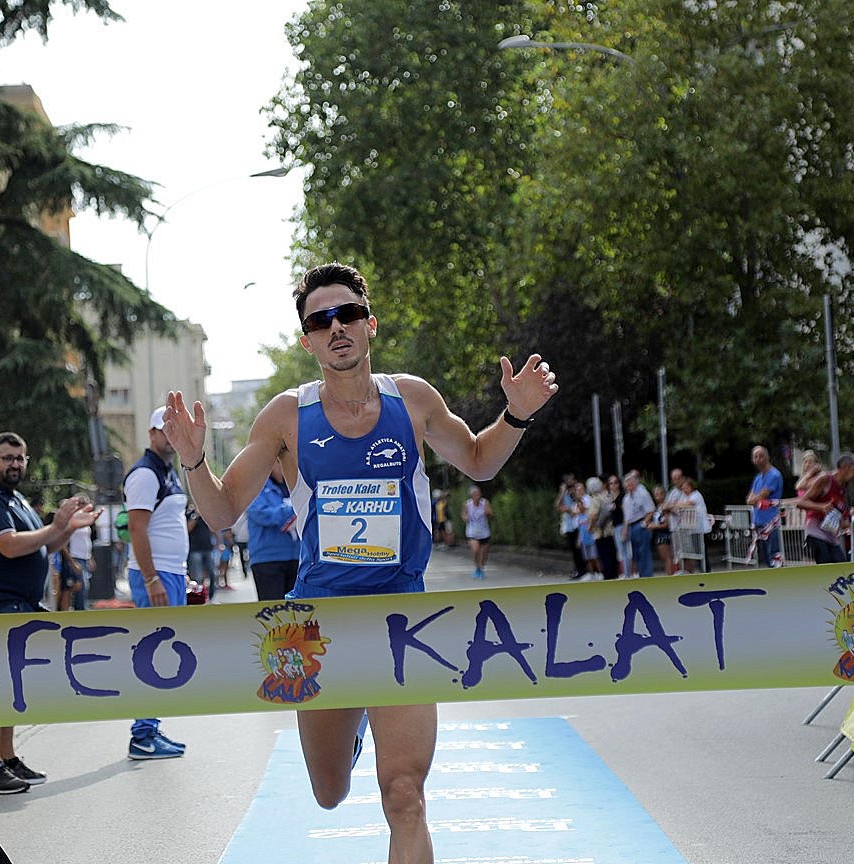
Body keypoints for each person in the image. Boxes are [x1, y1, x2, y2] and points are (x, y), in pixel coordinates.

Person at [159, 261, 557, 864]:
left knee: (404, 795)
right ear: (307, 339)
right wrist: (193, 461)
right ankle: (349, 727)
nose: (336, 327)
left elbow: (477, 460)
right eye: (321, 320)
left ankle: (380, 718)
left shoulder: (414, 399)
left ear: (369, 324)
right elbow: (220, 513)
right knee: (328, 792)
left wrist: (517, 415)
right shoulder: (285, 416)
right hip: (308, 624)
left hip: (402, 615)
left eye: (347, 314)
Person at [0, 431, 99, 793]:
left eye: (20, 457)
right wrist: (56, 526)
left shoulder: (17, 499)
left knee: (12, 687)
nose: (15, 464)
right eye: (8, 457)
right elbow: (9, 547)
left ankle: (7, 758)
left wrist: (66, 530)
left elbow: (43, 546)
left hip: (23, 605)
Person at [122, 407, 191, 760]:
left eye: (175, 430)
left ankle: (150, 727)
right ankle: (142, 735)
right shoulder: (145, 474)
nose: (170, 437)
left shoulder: (168, 472)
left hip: (170, 572)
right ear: (151, 435)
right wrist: (151, 578)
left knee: (163, 657)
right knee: (154, 657)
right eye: (164, 431)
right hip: (156, 575)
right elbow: (137, 528)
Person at [247, 458, 299, 600]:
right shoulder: (256, 487)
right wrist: (295, 509)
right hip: (267, 559)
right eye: (281, 461)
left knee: (298, 613)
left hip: (297, 557)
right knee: (273, 612)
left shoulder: (296, 486)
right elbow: (262, 514)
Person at [796, 452, 854, 564]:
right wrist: (821, 507)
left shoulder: (843, 486)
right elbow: (801, 502)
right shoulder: (826, 479)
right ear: (845, 468)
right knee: (826, 562)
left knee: (840, 563)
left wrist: (850, 523)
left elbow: (843, 519)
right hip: (815, 530)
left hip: (830, 534)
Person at [746, 446, 784, 568]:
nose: (758, 459)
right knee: (765, 559)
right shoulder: (757, 478)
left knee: (774, 558)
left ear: (767, 457)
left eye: (761, 455)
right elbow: (749, 500)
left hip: (771, 523)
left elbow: (762, 496)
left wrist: (755, 498)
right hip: (759, 523)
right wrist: (755, 498)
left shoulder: (774, 475)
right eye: (755, 456)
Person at [621, 470, 655, 577]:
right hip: (631, 526)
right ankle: (641, 574)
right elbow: (627, 516)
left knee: (644, 552)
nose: (629, 485)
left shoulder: (642, 493)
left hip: (640, 524)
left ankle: (647, 576)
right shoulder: (626, 498)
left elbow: (650, 510)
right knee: (636, 554)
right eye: (627, 484)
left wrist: (644, 524)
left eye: (631, 483)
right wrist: (625, 530)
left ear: (635, 483)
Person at [586, 476, 618, 580]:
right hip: (610, 530)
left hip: (600, 532)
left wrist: (590, 527)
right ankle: (614, 574)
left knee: (604, 556)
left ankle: (608, 577)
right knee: (611, 554)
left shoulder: (595, 499)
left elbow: (594, 515)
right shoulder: (606, 496)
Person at [677, 476, 710, 573]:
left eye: (686, 487)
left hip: (701, 529)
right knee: (698, 552)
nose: (684, 490)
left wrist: (675, 505)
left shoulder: (696, 495)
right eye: (683, 488)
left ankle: (705, 571)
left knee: (702, 552)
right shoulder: (687, 496)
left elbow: (686, 504)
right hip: (695, 529)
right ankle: (702, 570)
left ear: (691, 487)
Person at [555, 474, 585, 579]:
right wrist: (562, 492)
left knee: (580, 549)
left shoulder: (576, 491)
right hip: (569, 526)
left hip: (579, 524)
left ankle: (583, 570)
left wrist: (568, 509)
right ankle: (577, 569)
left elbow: (578, 504)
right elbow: (558, 505)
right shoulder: (565, 493)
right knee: (574, 550)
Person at [187, 503, 218, 601]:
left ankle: (211, 596)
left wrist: (218, 542)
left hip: (208, 548)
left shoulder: (206, 514)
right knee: (197, 576)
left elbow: (213, 528)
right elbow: (188, 528)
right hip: (195, 550)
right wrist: (195, 515)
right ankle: (199, 598)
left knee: (213, 574)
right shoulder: (189, 514)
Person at [462, 485, 493, 579]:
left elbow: (491, 514)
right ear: (471, 496)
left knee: (484, 553)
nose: (477, 496)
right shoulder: (467, 504)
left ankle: (481, 568)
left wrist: (487, 513)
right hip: (472, 532)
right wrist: (465, 518)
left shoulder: (485, 503)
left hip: (484, 532)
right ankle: (477, 567)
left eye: (478, 494)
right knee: (475, 550)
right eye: (475, 495)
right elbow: (463, 515)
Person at [647, 484, 675, 578]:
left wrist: (654, 526)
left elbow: (666, 524)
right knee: (663, 558)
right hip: (658, 534)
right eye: (656, 495)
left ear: (664, 494)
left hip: (663, 534)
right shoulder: (658, 507)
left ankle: (670, 576)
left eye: (659, 494)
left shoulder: (665, 507)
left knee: (667, 557)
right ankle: (668, 575)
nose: (658, 497)